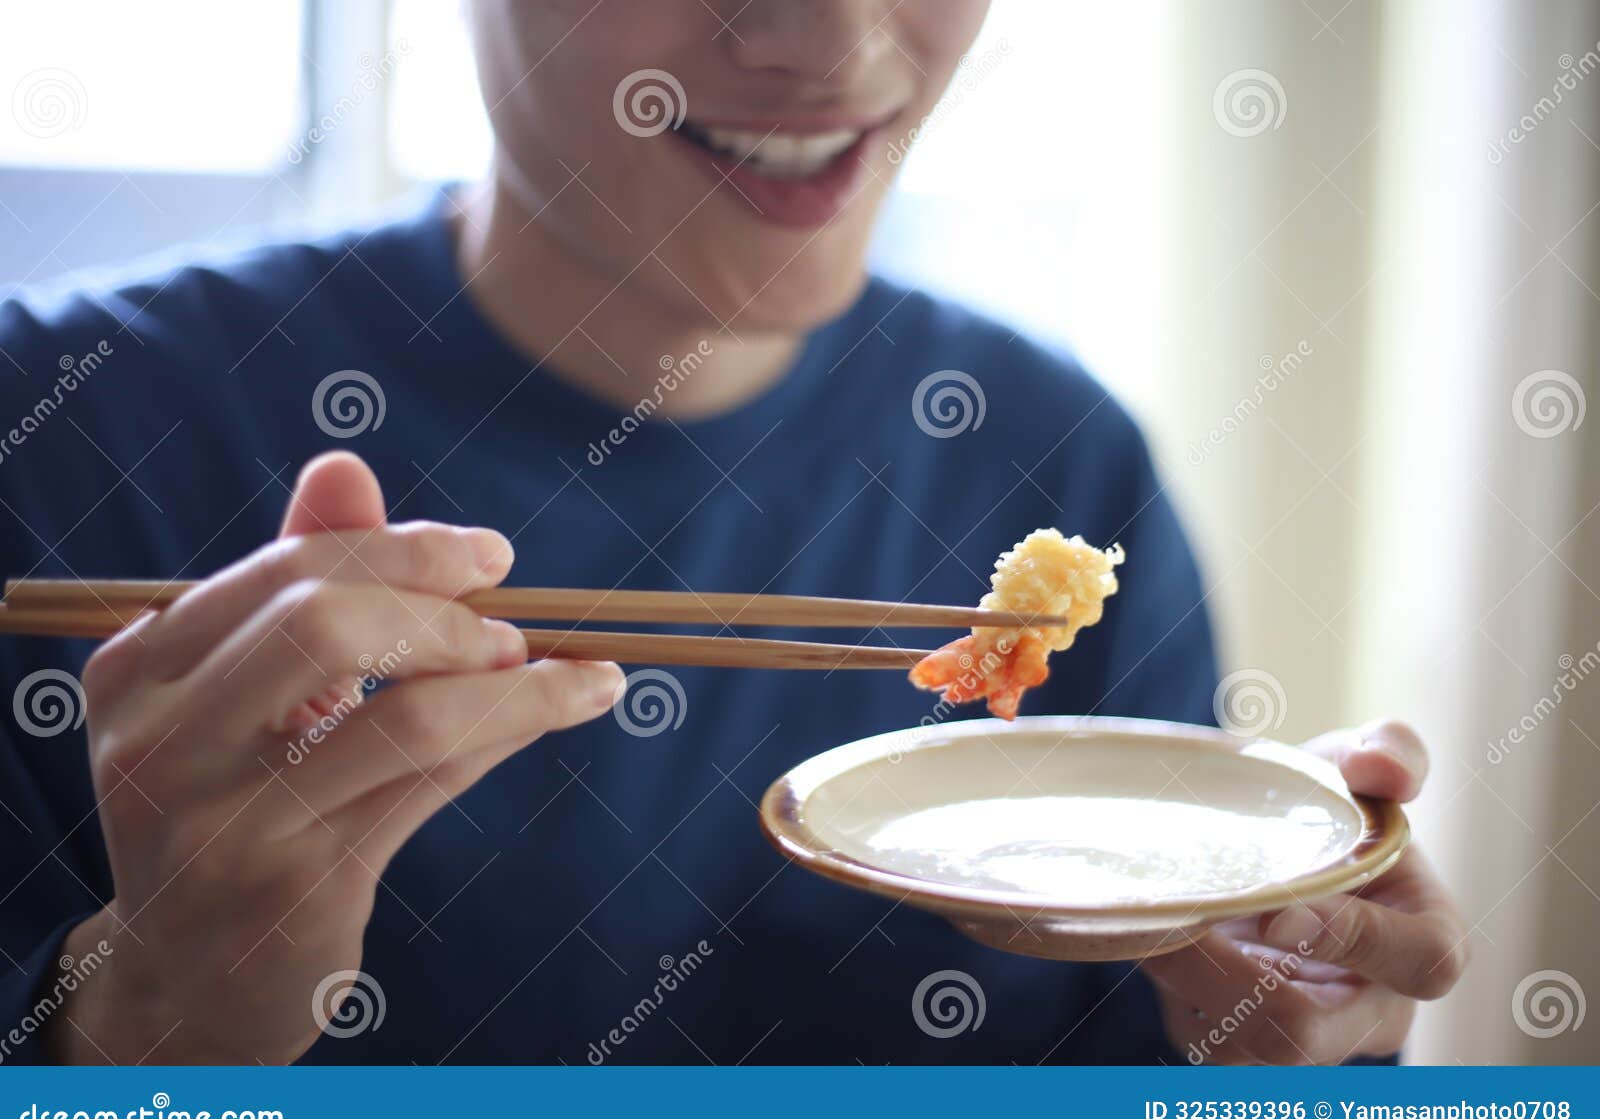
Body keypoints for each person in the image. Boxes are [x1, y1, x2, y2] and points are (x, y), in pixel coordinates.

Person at [0, 0, 1464, 1065]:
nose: (830, 42)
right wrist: (136, 1031)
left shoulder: (1057, 460)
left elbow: (1140, 1076)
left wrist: (1288, 1070)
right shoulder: (61, 436)